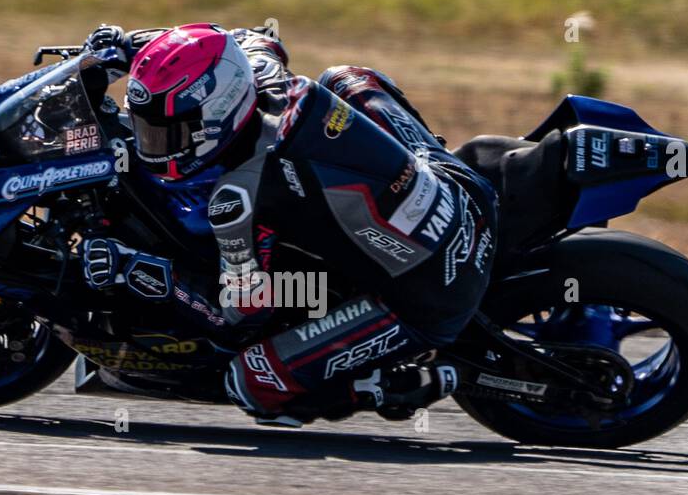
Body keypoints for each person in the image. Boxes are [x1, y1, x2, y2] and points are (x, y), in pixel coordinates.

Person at [77, 23, 499, 425]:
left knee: (252, 380)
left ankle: (390, 385)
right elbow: (242, 38)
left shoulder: (236, 198)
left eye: (168, 133)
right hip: (459, 186)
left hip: (432, 289)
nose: (153, 146)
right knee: (345, 77)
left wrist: (140, 270)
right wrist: (133, 46)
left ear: (215, 117)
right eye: (146, 128)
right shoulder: (261, 73)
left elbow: (238, 315)